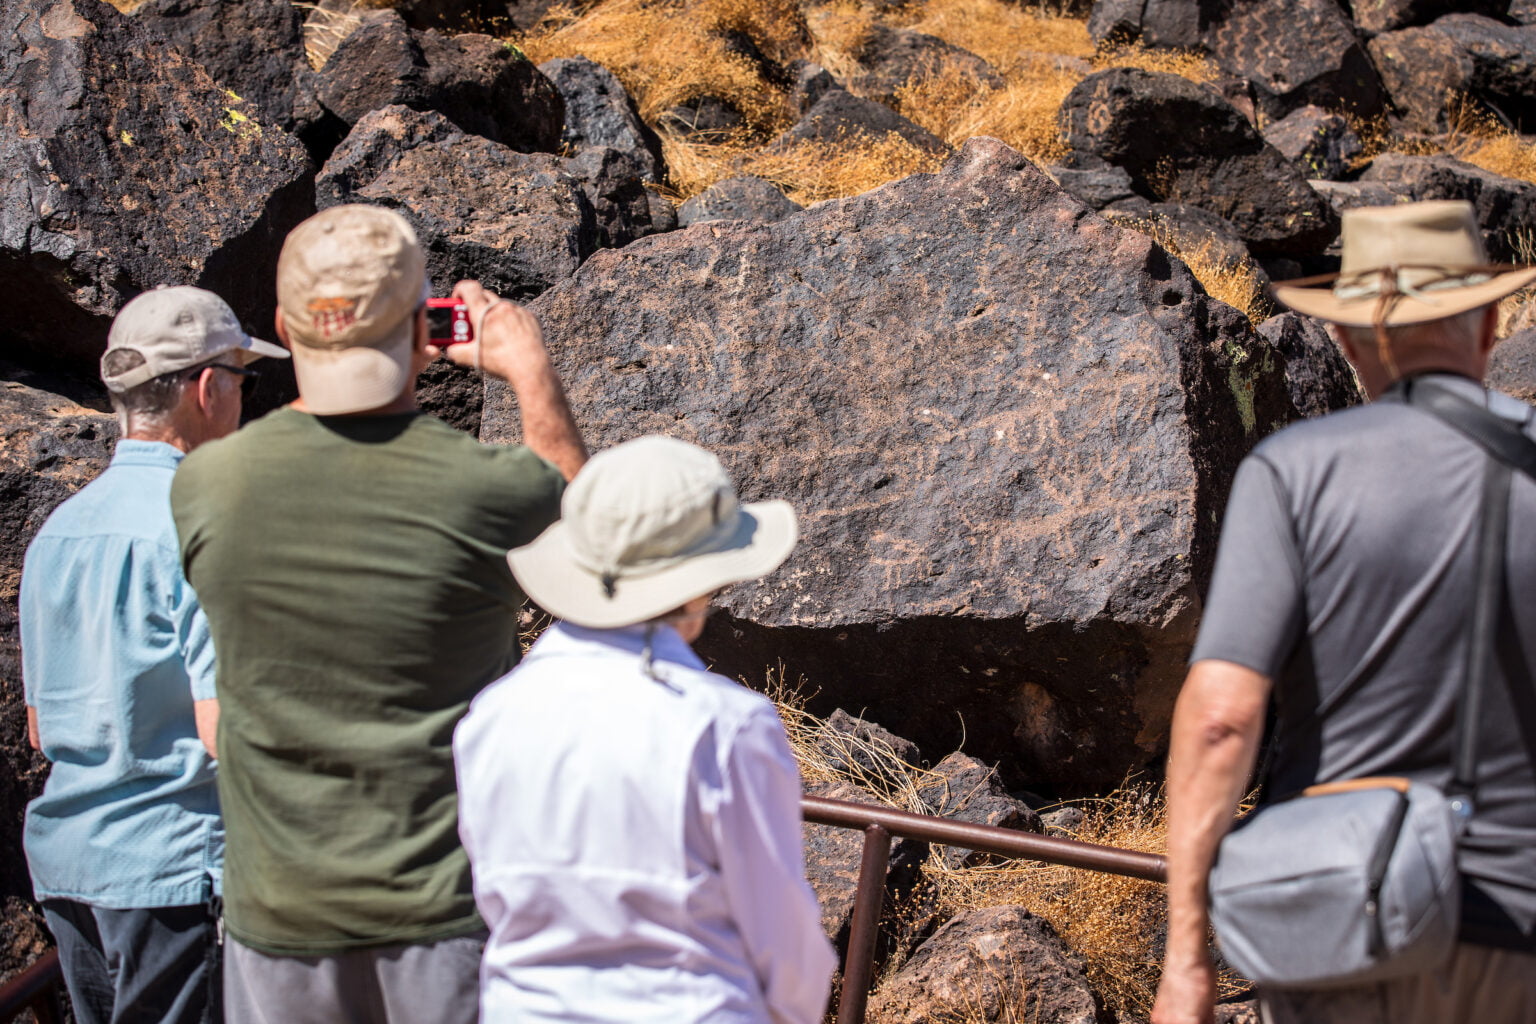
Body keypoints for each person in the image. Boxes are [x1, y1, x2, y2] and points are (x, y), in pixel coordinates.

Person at [170, 204, 587, 1024]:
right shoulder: (487, 489)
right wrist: (530, 371)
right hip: (448, 910)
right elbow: (596, 556)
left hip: (277, 912)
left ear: (287, 329)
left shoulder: (206, 487)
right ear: (426, 330)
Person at [1151, 200, 1536, 1024]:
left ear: (1353, 340)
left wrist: (1186, 962)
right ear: (1493, 323)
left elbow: (1222, 721)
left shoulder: (1295, 474)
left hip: (1343, 922)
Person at [453, 435, 837, 1024]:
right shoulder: (726, 728)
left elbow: (494, 898)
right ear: (702, 579)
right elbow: (783, 940)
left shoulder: (491, 716)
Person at [22, 286, 288, 1023]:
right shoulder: (206, 525)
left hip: (70, 865)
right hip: (172, 869)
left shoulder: (59, 531)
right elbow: (223, 730)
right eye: (243, 380)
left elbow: (42, 728)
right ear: (209, 387)